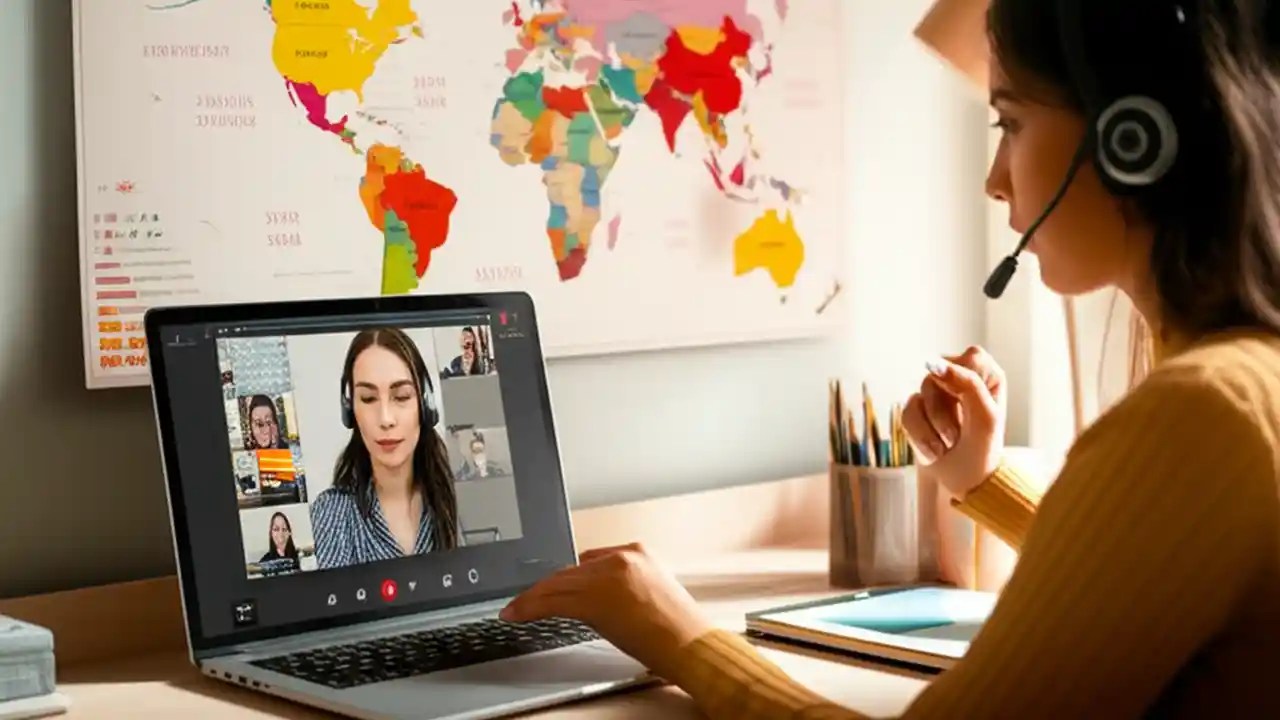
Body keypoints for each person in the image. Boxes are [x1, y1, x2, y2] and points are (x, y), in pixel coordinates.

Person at [496, 1, 1280, 717]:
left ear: (1131, 142)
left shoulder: (1200, 409)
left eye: (1009, 124)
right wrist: (982, 483)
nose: (995, 180)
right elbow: (1135, 583)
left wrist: (678, 635)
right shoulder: (1246, 380)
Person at [310, 328, 460, 570]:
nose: (386, 419)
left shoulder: (460, 499)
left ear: (425, 405)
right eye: (368, 399)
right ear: (350, 412)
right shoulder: (331, 514)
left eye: (401, 396)